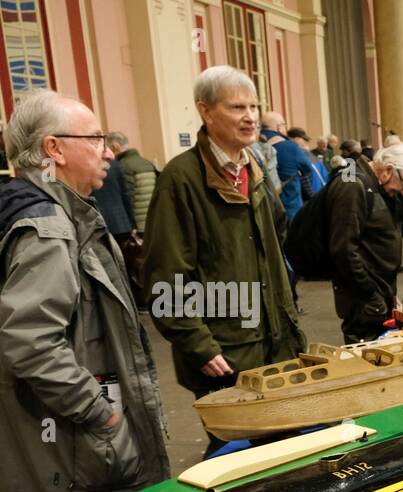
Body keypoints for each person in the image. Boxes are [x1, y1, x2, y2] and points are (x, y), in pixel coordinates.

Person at [0, 91, 169, 492]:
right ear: (54, 149)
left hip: (79, 442)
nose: (109, 149)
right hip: (86, 446)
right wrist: (101, 414)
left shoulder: (62, 214)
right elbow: (30, 341)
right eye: (95, 138)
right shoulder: (48, 228)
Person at [143, 65, 306, 455]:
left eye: (253, 106)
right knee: (234, 458)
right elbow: (165, 277)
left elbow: (275, 246)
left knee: (281, 454)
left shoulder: (254, 168)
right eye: (237, 107)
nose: (250, 116)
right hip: (225, 353)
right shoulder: (180, 180)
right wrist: (198, 344)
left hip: (274, 345)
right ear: (206, 111)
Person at [328, 143, 403, 344]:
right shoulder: (352, 185)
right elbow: (343, 249)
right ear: (388, 170)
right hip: (364, 299)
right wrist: (371, 293)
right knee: (367, 357)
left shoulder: (370, 185)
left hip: (375, 295)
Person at [261, 111, 314, 221]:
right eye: (284, 125)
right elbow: (308, 167)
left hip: (265, 210)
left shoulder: (253, 145)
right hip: (290, 207)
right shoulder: (289, 146)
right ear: (279, 127)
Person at [107, 132, 159, 235]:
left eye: (108, 148)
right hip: (154, 222)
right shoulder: (147, 163)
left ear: (114, 147)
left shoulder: (122, 166)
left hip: (138, 227)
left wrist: (130, 225)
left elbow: (128, 199)